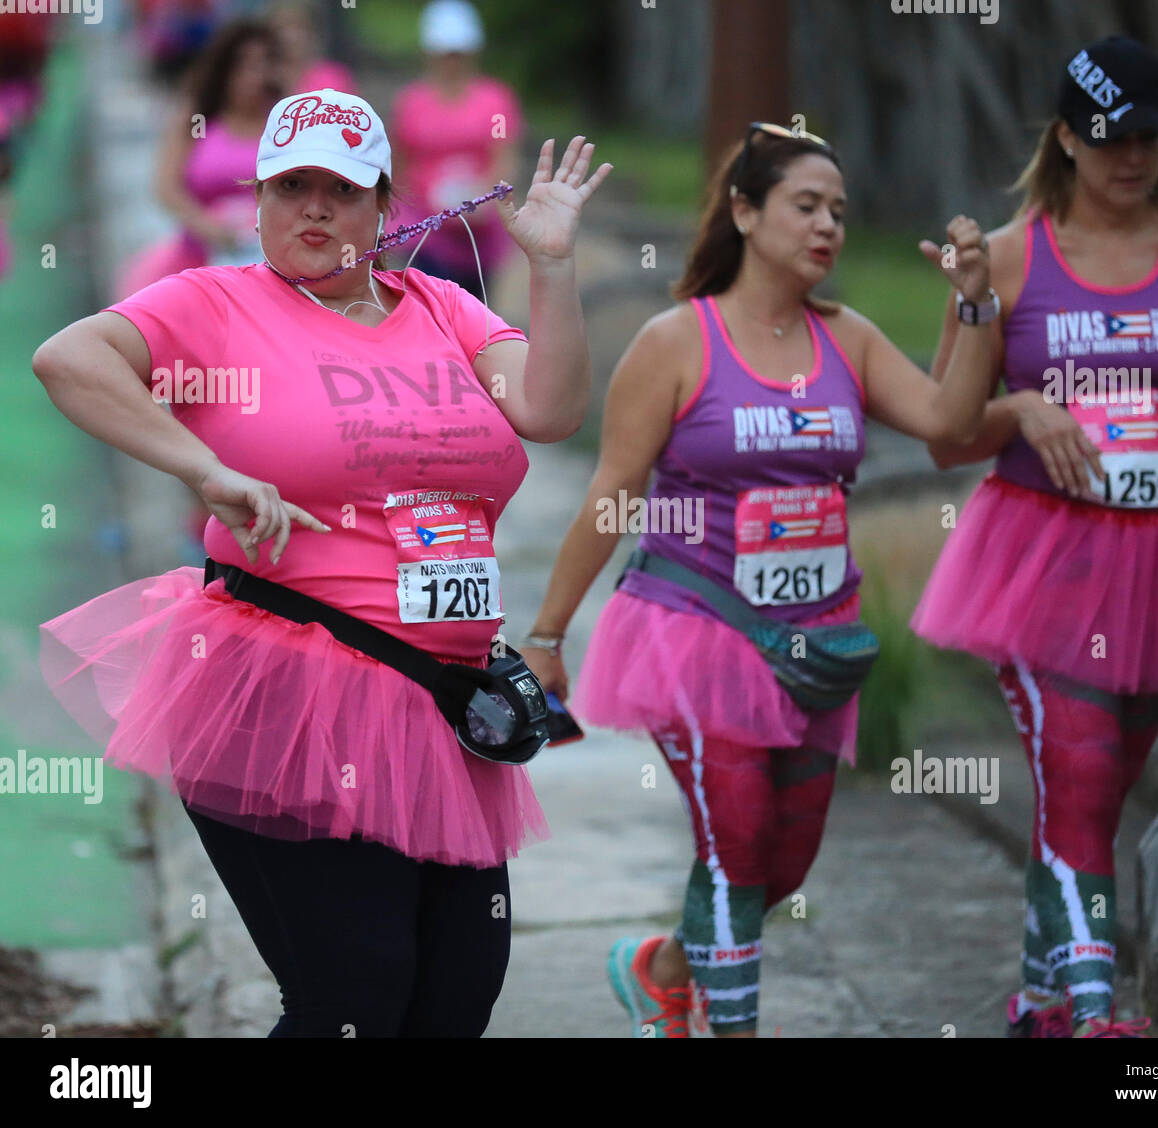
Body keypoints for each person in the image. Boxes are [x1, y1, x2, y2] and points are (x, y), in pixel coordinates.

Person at [33, 85, 610, 1037]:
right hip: (290, 690)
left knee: (458, 991)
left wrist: (551, 268)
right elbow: (68, 358)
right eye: (290, 185)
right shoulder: (215, 304)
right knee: (355, 990)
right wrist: (204, 468)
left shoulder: (444, 309)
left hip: (445, 699)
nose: (313, 209)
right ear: (256, 200)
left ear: (384, 207)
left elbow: (547, 412)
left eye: (340, 191)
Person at [521, 122, 996, 1037]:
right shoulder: (676, 342)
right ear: (744, 211)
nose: (827, 227)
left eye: (840, 214)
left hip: (820, 640)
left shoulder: (847, 338)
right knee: (737, 847)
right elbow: (612, 496)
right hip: (698, 627)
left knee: (786, 863)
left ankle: (659, 967)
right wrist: (544, 636)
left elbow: (949, 422)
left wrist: (972, 310)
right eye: (805, 206)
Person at [910, 36, 1158, 1038]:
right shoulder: (1000, 258)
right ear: (1066, 139)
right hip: (1041, 558)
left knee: (1094, 790)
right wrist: (1024, 407)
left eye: (1149, 138)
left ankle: (1036, 1002)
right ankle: (1092, 1014)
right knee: (1076, 789)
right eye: (1109, 138)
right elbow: (948, 435)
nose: (1131, 157)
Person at [115, 19, 283, 302]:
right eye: (243, 65)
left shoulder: (283, 122)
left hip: (269, 263)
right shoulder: (198, 117)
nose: (255, 76)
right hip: (197, 255)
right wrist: (207, 227)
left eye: (263, 64)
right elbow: (166, 187)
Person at [392, 0, 522, 298]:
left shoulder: (495, 101)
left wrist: (480, 194)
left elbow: (503, 156)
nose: (452, 61)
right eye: (445, 53)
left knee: (475, 310)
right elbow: (401, 164)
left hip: (479, 234)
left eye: (457, 53)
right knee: (432, 305)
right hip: (427, 233)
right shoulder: (413, 102)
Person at [268, 2, 354, 95]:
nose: (290, 37)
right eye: (281, 28)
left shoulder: (335, 77)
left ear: (313, 32)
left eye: (299, 27)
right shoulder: (263, 77)